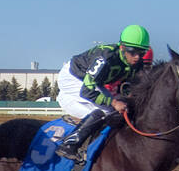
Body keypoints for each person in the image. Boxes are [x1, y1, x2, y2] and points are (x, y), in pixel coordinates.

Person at [53, 24, 152, 161]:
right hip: (74, 77)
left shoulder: (136, 64)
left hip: (94, 82)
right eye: (133, 52)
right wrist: (114, 101)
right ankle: (69, 145)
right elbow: (87, 91)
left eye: (141, 53)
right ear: (122, 48)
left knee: (119, 109)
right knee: (103, 111)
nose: (136, 57)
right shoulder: (105, 58)